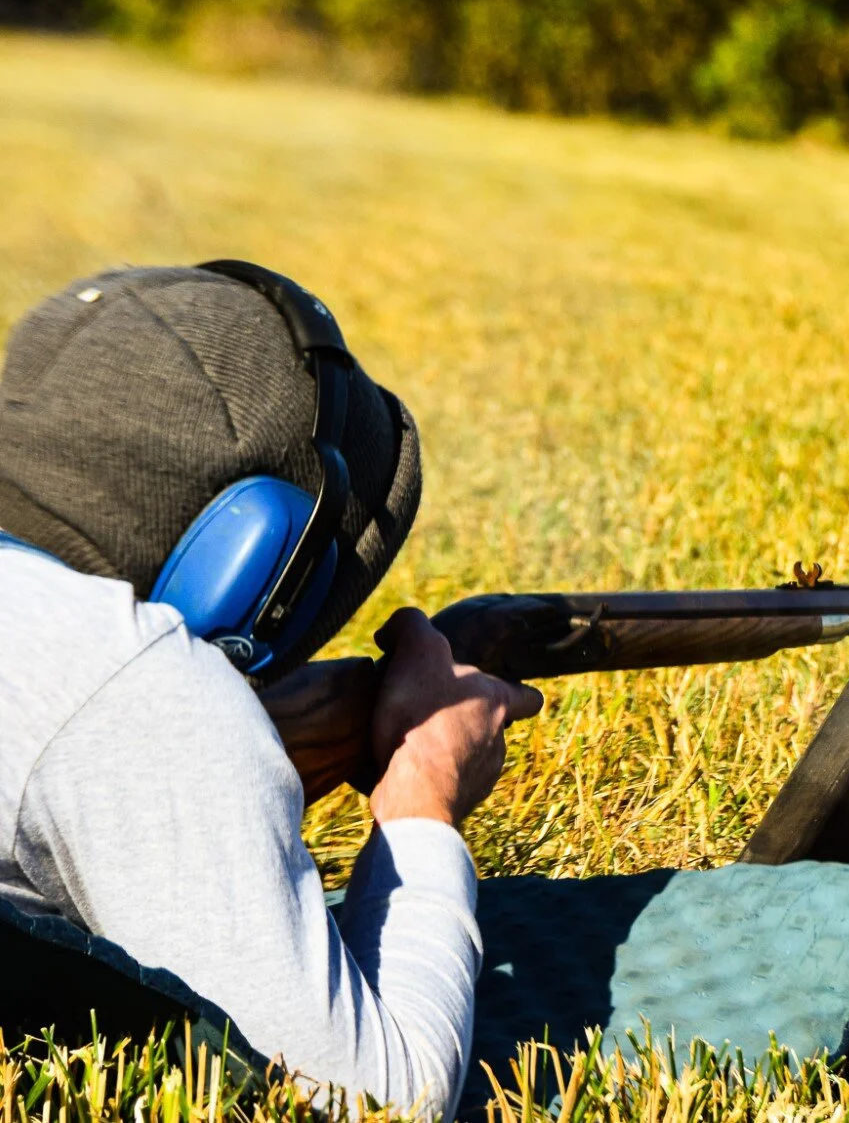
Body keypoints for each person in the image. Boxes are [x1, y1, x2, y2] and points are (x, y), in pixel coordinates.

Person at [0, 263, 542, 1116]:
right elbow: (371, 1101)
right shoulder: (128, 687)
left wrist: (241, 739)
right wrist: (425, 796)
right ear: (252, 557)